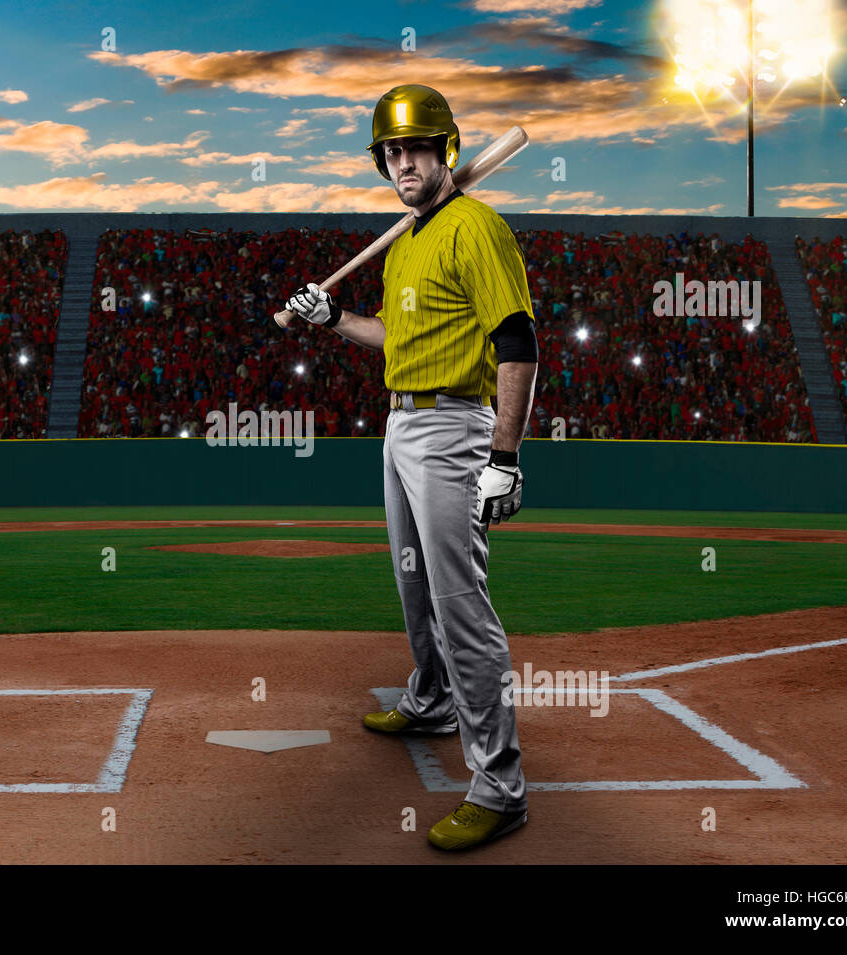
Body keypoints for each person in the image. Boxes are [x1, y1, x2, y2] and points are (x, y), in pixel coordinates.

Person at [283, 84, 539, 851]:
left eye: (416, 149)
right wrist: (333, 320)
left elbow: (520, 341)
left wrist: (504, 456)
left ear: (446, 151)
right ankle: (431, 699)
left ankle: (500, 787)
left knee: (461, 603)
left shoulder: (475, 226)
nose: (403, 162)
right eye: (392, 152)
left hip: (455, 430)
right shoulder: (409, 240)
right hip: (399, 420)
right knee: (412, 582)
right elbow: (395, 333)